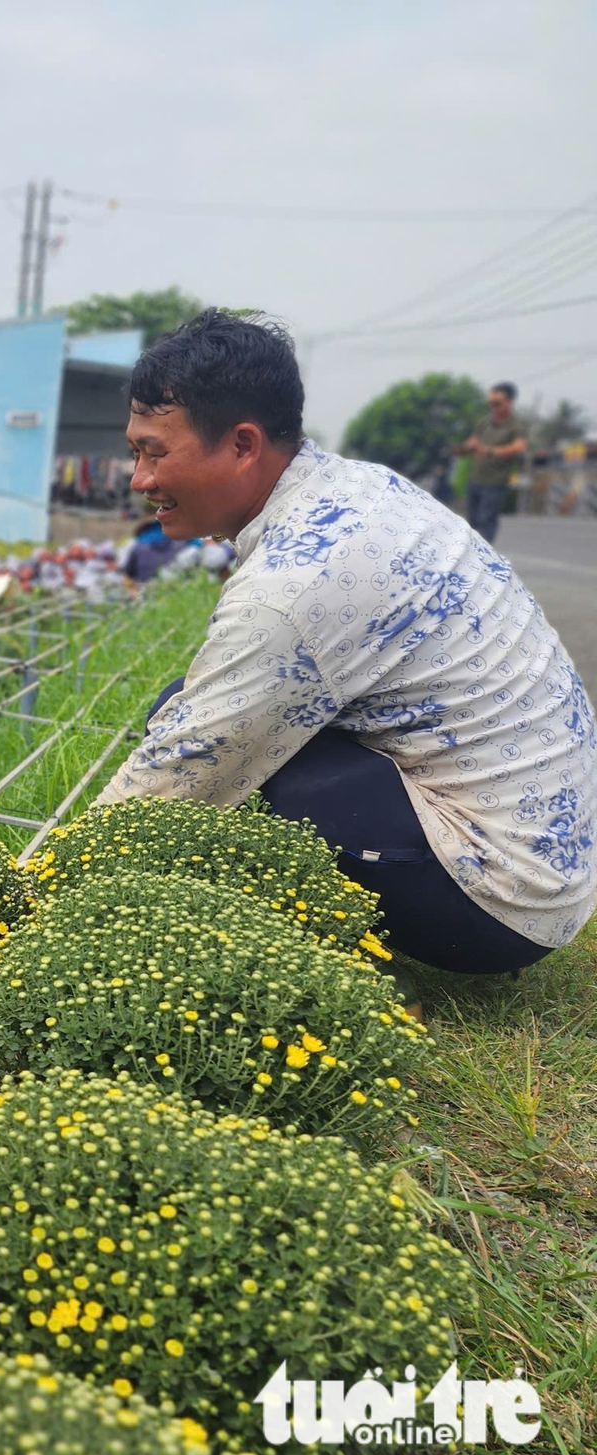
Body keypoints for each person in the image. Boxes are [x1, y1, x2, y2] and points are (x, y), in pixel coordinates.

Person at [99, 311, 594, 974]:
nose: (139, 478)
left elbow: (179, 769)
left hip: (501, 902)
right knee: (190, 705)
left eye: (154, 452)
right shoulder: (351, 489)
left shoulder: (295, 584)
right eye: (135, 453)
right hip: (555, 851)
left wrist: (38, 890)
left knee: (225, 753)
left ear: (243, 445)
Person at [454, 380, 527, 544]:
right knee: (472, 521)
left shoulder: (515, 426)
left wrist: (489, 451)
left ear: (509, 402)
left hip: (495, 481)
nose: (493, 407)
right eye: (491, 403)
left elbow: (518, 447)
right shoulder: (484, 423)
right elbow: (472, 442)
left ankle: (485, 556)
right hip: (476, 478)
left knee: (487, 519)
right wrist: (463, 448)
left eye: (497, 403)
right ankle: (471, 554)